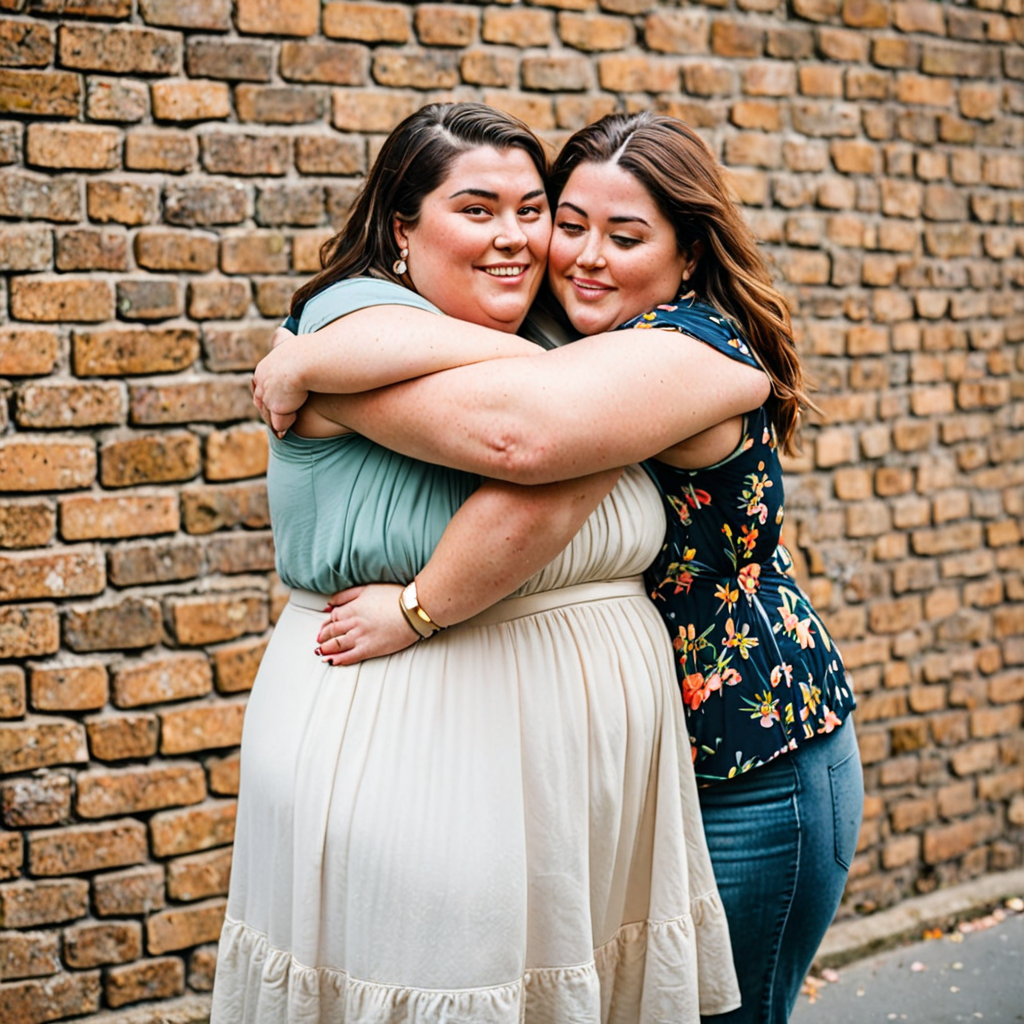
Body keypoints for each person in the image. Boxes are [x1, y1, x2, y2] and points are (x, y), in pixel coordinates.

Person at [257, 111, 864, 1024]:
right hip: (642, 774)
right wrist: (312, 352)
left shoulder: (691, 349)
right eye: (570, 223)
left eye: (625, 236)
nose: (583, 255)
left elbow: (529, 437)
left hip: (752, 757)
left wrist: (310, 364)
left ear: (688, 252)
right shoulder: (578, 340)